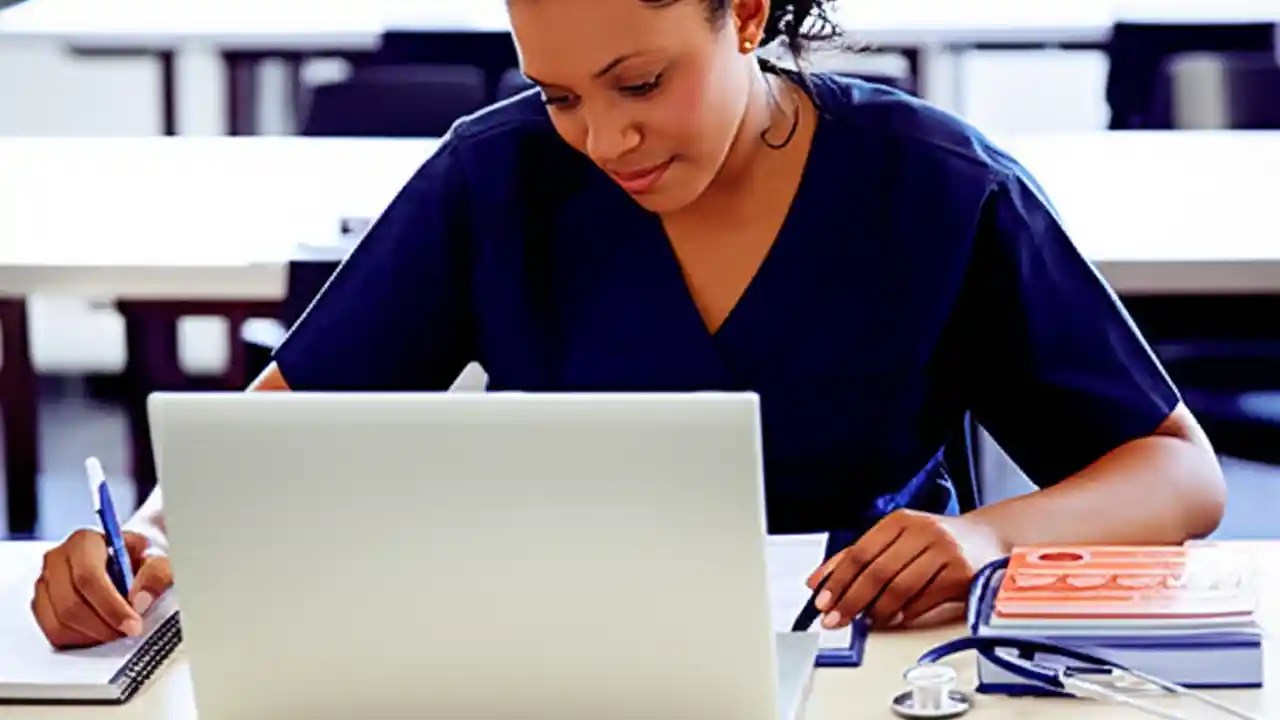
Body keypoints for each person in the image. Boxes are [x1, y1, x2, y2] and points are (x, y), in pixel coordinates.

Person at [32, 0, 1226, 649]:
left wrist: (986, 537)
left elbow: (1175, 474)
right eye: (557, 96)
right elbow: (261, 446)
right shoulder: (492, 178)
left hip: (874, 669)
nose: (603, 141)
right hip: (566, 664)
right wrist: (139, 539)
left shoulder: (933, 184)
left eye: (638, 83)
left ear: (745, 14)